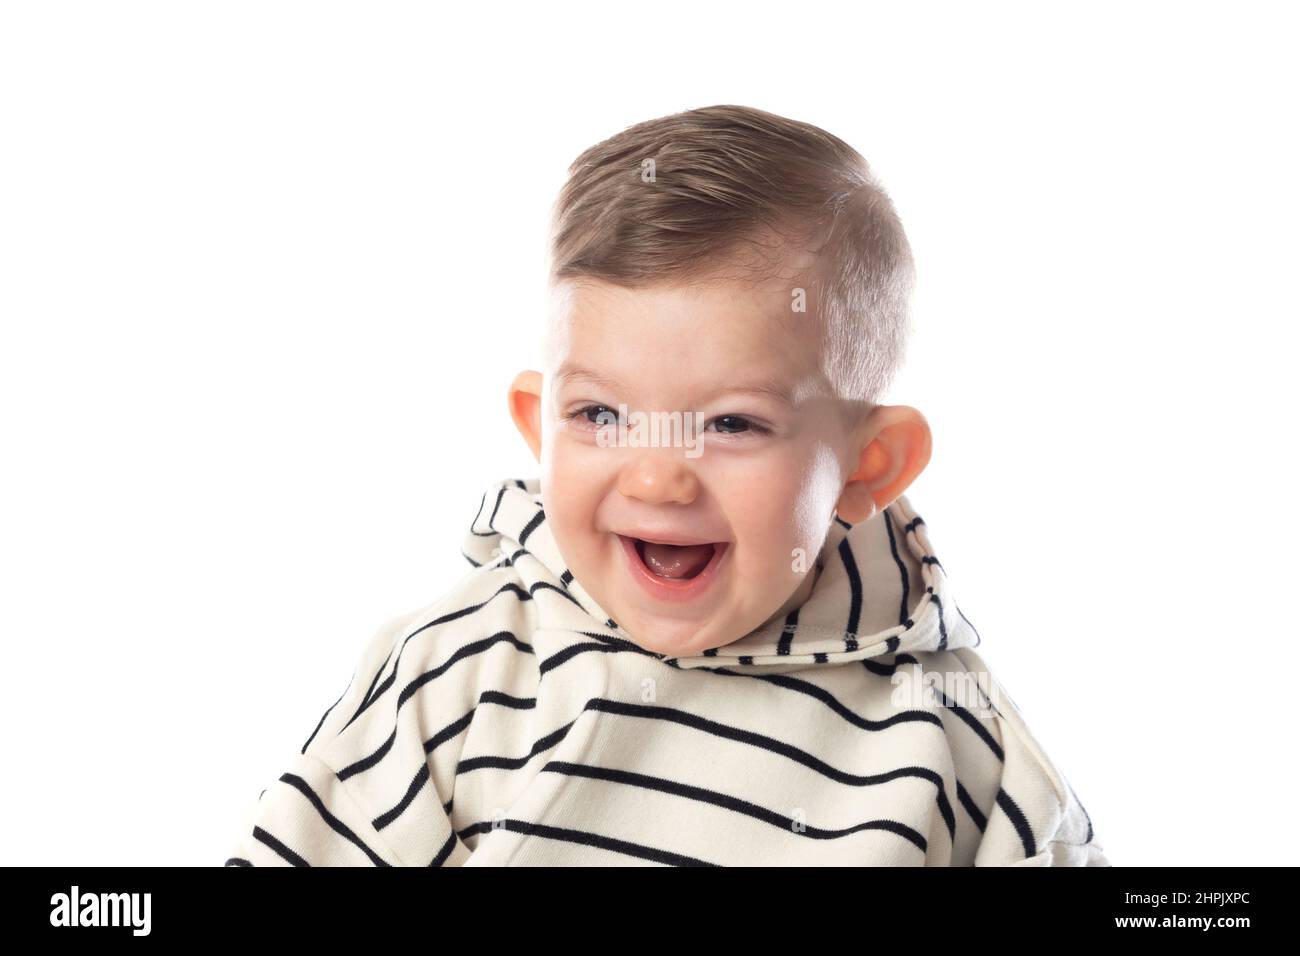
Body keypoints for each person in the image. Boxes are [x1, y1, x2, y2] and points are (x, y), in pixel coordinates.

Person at [224, 104, 1107, 866]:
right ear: (538, 426)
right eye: (601, 416)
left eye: (732, 423)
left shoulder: (954, 745)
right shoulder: (465, 673)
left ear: (868, 466)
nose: (655, 476)